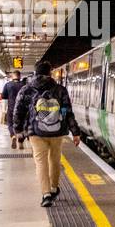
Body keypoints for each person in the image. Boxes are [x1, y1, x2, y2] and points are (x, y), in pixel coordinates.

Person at [13, 60, 80, 207]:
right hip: (57, 132)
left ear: (35, 73)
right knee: (55, 160)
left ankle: (46, 194)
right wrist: (75, 132)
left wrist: (18, 131)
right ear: (50, 73)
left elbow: (18, 111)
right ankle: (54, 188)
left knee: (40, 162)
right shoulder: (60, 90)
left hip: (35, 132)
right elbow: (68, 112)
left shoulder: (26, 89)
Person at [0, 70, 25, 148]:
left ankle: (13, 136)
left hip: (11, 108)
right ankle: (20, 141)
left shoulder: (8, 85)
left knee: (10, 124)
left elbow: (3, 96)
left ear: (12, 76)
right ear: (20, 76)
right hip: (22, 109)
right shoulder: (24, 85)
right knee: (22, 125)